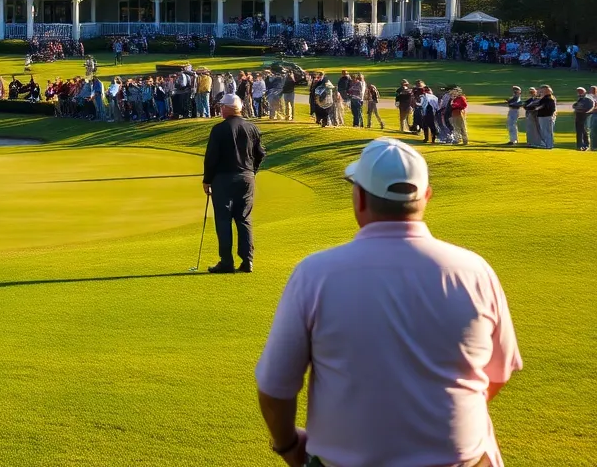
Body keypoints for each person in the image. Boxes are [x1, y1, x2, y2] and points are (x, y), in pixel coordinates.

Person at [255, 137, 521, 467]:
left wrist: (287, 445)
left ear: (360, 197)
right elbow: (498, 373)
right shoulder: (474, 271)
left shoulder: (316, 274)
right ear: (426, 196)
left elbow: (275, 387)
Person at [201, 94, 265, 274]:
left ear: (230, 108)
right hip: (246, 178)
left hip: (223, 179)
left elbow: (211, 158)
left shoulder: (219, 129)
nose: (220, 109)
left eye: (222, 106)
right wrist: (252, 172)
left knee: (223, 220)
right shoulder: (252, 127)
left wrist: (207, 180)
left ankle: (226, 262)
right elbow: (260, 154)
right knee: (244, 218)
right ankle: (247, 261)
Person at [572, 87, 594, 151]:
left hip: (585, 116)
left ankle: (586, 145)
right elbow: (575, 105)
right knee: (579, 131)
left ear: (584, 91)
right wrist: (577, 107)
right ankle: (579, 145)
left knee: (584, 131)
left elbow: (589, 107)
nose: (578, 93)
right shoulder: (580, 98)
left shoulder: (588, 99)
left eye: (580, 91)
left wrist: (580, 108)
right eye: (578, 91)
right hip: (578, 116)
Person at [537, 86, 557, 150]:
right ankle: (546, 144)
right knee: (544, 131)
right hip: (543, 116)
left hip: (547, 116)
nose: (542, 92)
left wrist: (538, 108)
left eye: (544, 91)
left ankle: (549, 145)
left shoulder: (550, 98)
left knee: (547, 131)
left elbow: (550, 108)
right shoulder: (544, 98)